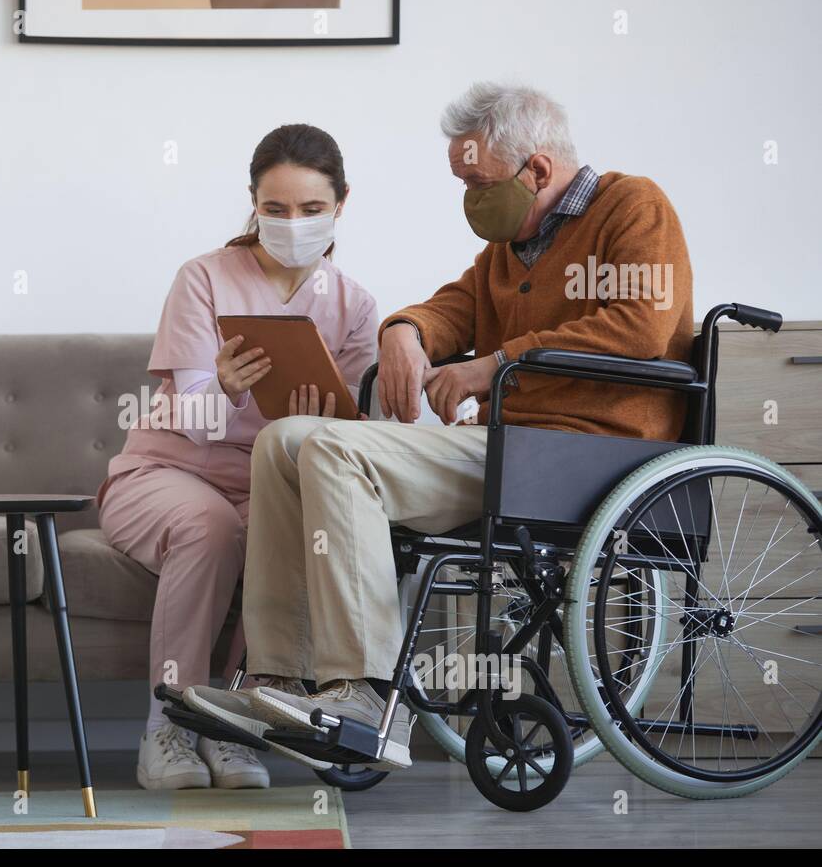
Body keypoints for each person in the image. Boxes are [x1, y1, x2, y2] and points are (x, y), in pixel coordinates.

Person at [186, 82, 694, 772]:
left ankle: (364, 694)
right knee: (286, 439)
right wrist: (403, 331)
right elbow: (448, 309)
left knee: (335, 450)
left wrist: (493, 365)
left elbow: (640, 329)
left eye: (476, 181)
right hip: (508, 451)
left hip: (588, 452)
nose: (469, 199)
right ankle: (280, 678)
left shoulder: (634, 207)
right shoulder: (509, 248)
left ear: (536, 170)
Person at [98, 124, 378, 789]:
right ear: (253, 203)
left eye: (311, 209)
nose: (293, 224)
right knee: (211, 525)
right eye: (275, 209)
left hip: (271, 482)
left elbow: (364, 430)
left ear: (341, 204)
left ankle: (236, 724)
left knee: (290, 534)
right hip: (168, 473)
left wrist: (318, 419)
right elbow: (190, 419)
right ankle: (168, 725)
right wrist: (222, 387)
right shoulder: (203, 279)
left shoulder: (355, 306)